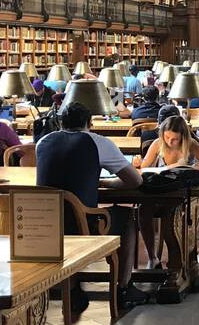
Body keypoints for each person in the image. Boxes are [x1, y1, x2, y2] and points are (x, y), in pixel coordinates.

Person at [36, 103, 148, 312]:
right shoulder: (97, 142)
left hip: (42, 224)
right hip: (83, 226)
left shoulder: (43, 142)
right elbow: (135, 181)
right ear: (90, 123)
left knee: (67, 217)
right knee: (126, 217)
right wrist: (106, 182)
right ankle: (124, 288)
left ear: (60, 122)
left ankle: (73, 288)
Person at [135, 114, 199, 268]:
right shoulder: (158, 144)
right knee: (143, 210)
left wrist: (191, 169)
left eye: (175, 139)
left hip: (182, 195)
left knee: (169, 213)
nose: (170, 142)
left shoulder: (192, 145)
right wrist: (141, 164)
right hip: (160, 191)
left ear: (183, 137)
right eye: (167, 138)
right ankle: (152, 257)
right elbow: (144, 167)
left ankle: (176, 260)